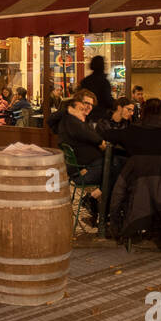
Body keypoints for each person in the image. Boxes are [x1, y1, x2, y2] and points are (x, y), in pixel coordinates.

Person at [56, 96, 107, 225]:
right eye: (84, 104)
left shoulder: (79, 122)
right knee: (117, 172)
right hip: (81, 171)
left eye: (90, 105)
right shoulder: (72, 122)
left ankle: (95, 205)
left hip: (80, 169)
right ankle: (97, 206)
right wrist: (100, 142)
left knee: (115, 171)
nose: (87, 107)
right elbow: (91, 137)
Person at [80, 55, 116, 122]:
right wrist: (116, 104)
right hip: (101, 116)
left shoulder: (85, 81)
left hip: (86, 114)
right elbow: (108, 100)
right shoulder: (104, 82)